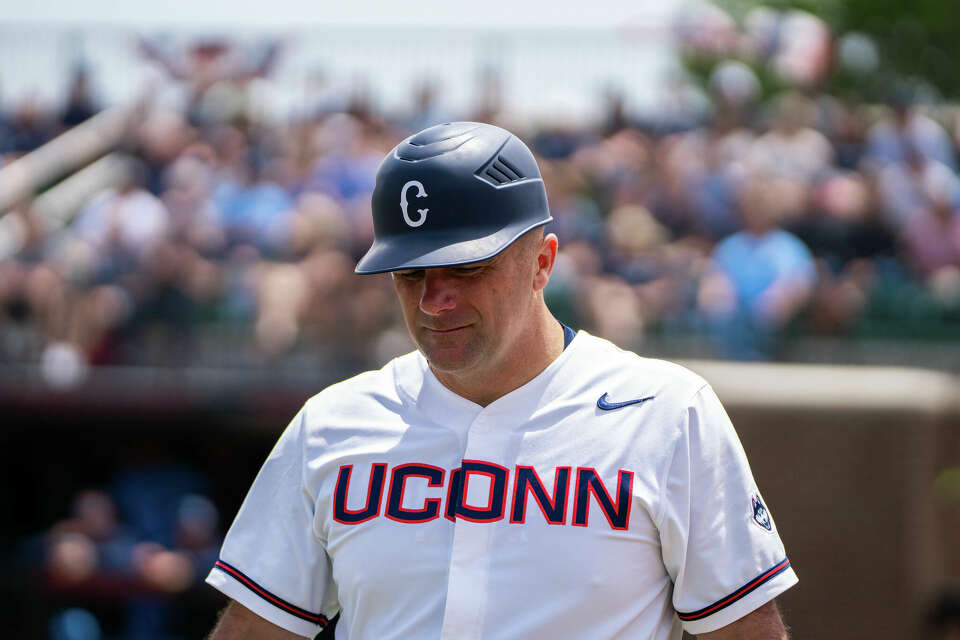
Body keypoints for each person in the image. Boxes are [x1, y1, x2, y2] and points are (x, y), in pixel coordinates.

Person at [205, 122, 798, 639]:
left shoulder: (665, 413)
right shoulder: (332, 423)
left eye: (466, 268)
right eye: (409, 274)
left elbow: (745, 631)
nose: (435, 300)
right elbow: (255, 629)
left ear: (542, 262)